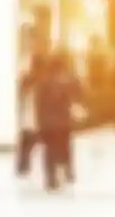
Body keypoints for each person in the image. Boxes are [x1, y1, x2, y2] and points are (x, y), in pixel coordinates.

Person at [35, 53, 81, 192]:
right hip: (63, 124)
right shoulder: (66, 82)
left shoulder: (42, 84)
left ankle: (50, 179)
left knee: (49, 151)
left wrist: (40, 123)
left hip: (48, 124)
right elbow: (75, 96)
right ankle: (68, 172)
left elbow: (39, 105)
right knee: (65, 149)